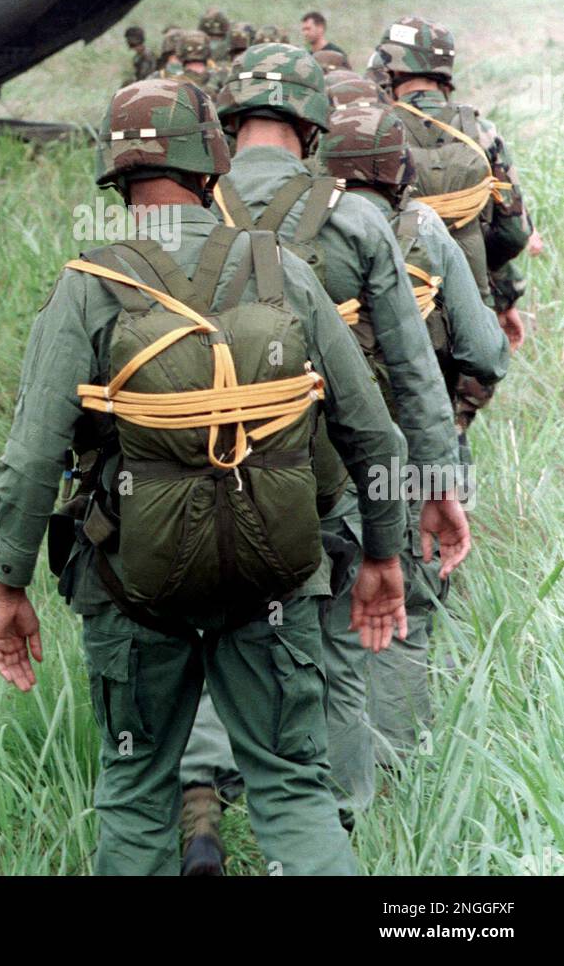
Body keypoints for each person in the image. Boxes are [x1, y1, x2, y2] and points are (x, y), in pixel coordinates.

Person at [0, 77, 409, 878]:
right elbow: (371, 433)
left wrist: (10, 585)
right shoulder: (281, 267)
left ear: (115, 177)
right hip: (275, 577)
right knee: (291, 786)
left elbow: (33, 453)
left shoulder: (90, 283)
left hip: (128, 580)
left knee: (136, 786)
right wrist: (383, 556)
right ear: (211, 162)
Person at [178, 41, 468, 843]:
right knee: (344, 644)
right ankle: (330, 829)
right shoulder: (358, 219)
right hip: (327, 477)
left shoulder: (185, 212)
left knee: (209, 634)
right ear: (312, 130)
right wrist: (436, 487)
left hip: (201, 472)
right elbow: (412, 374)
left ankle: (200, 799)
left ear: (229, 122)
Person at [319, 101, 508, 772]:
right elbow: (486, 351)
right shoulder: (423, 228)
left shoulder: (287, 234)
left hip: (304, 467)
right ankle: (393, 779)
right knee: (402, 623)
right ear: (397, 169)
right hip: (409, 461)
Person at [370, 18, 531, 449]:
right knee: (449, 435)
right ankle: (451, 508)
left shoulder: (368, 131)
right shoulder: (481, 132)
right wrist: (497, 291)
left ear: (390, 70)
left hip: (387, 317)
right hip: (466, 318)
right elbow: (515, 232)